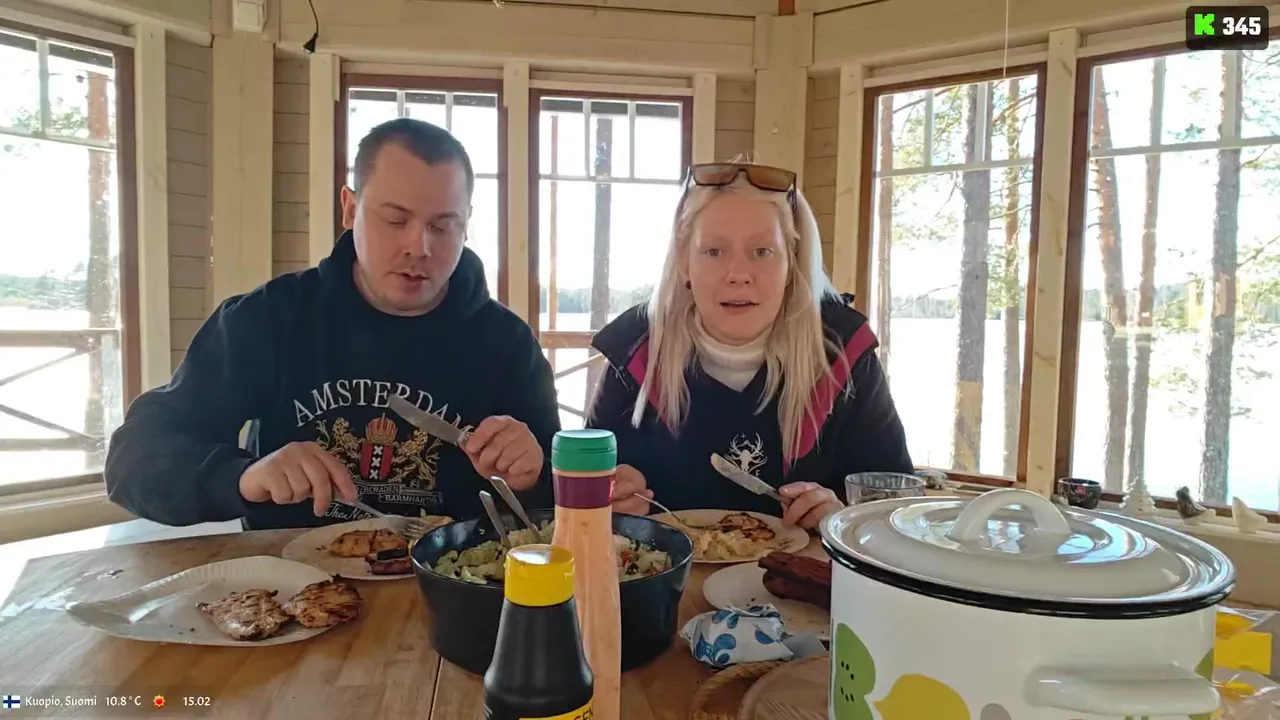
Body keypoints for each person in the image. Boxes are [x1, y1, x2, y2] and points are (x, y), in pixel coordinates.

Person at [105, 118, 560, 530]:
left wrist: (533, 476)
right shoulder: (272, 317)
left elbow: (560, 503)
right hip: (287, 582)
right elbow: (131, 463)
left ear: (466, 225)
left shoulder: (508, 345)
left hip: (450, 579)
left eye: (442, 226)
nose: (418, 247)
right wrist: (243, 476)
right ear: (350, 209)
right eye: (395, 219)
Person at [587, 162, 913, 530]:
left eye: (762, 251)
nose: (738, 274)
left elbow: (894, 510)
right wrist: (609, 498)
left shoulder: (842, 352)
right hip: (664, 567)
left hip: (806, 568)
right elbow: (578, 493)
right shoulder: (634, 350)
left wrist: (842, 518)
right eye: (714, 251)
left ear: (791, 262)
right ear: (684, 262)